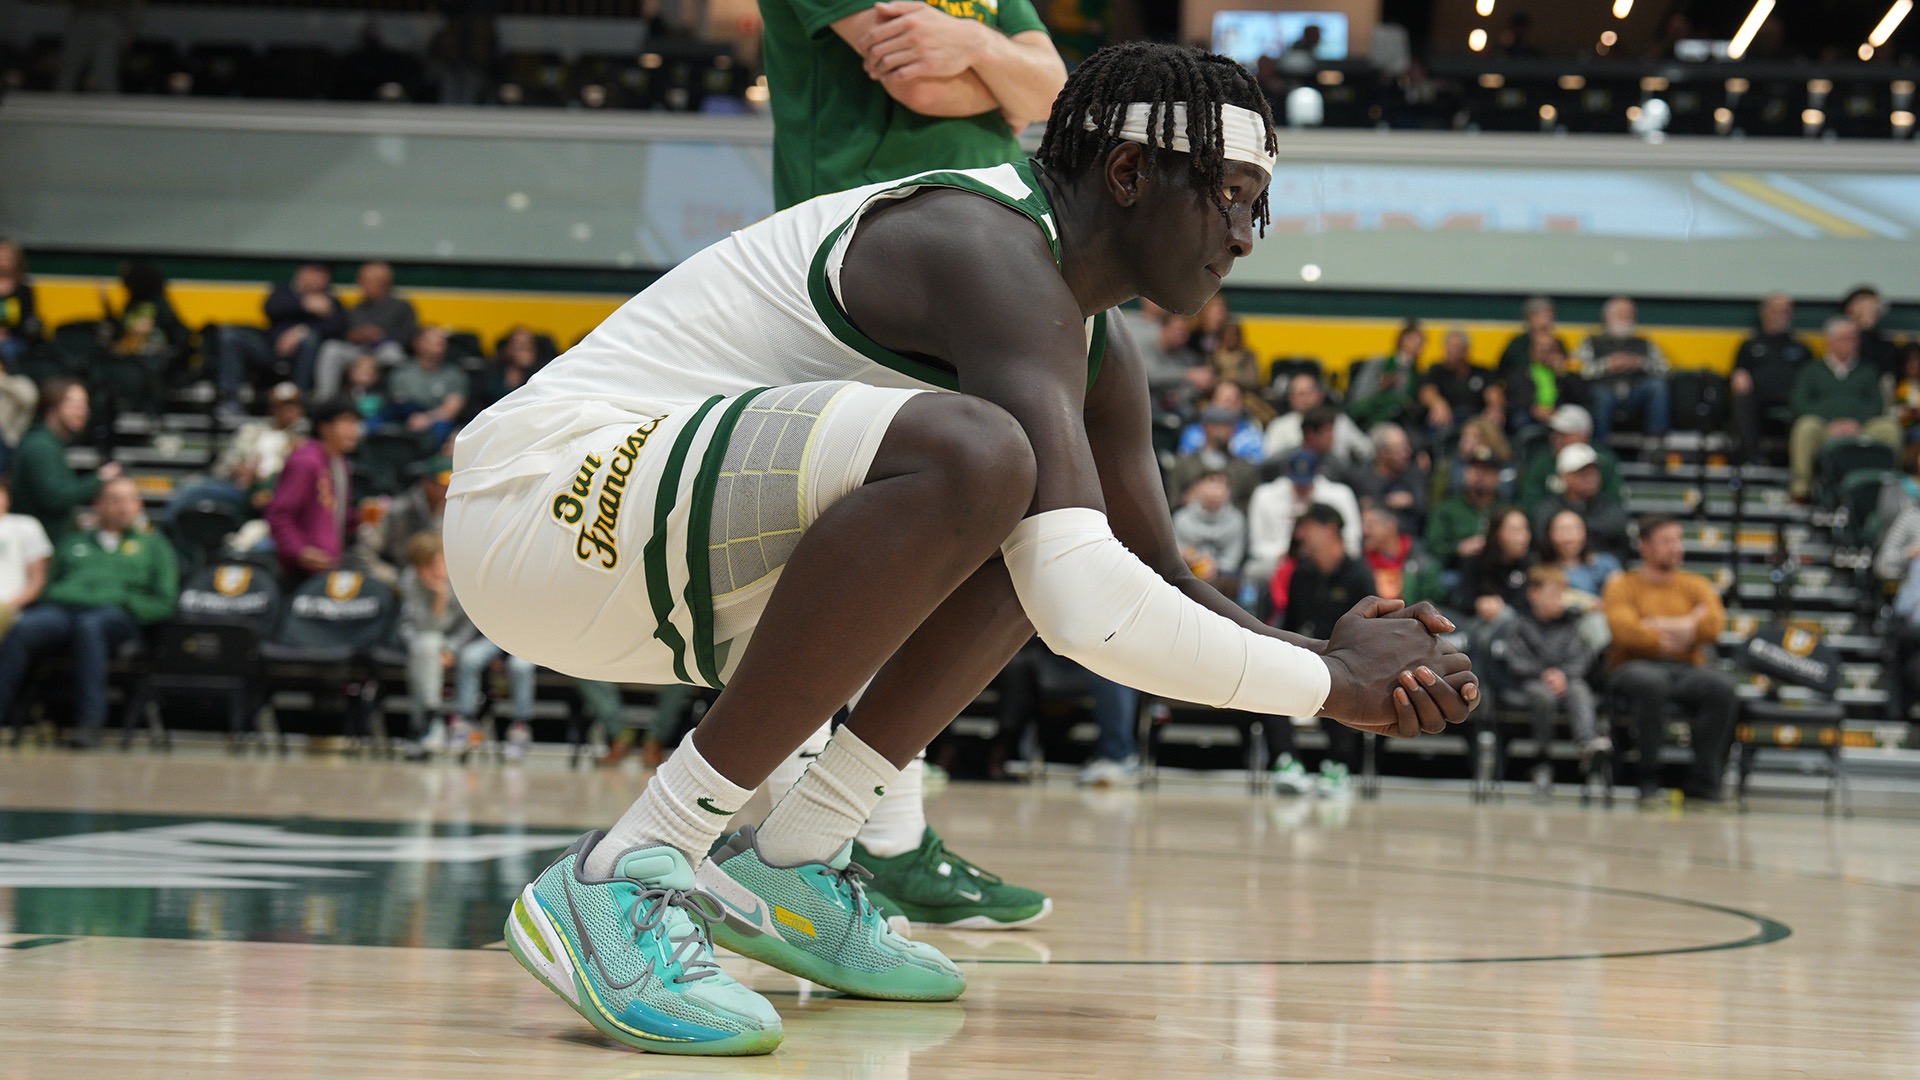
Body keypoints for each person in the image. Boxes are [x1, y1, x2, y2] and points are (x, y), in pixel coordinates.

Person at [445, 43, 1475, 1056]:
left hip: (661, 561)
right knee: (985, 459)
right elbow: (1088, 610)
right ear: (1128, 173)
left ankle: (792, 860)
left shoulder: (1093, 343)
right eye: (1232, 197)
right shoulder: (980, 240)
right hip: (547, 505)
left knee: (1042, 518)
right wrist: (1330, 690)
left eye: (1259, 207)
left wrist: (1331, 657)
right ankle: (626, 867)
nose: (1246, 236)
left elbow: (1149, 577)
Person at [754, 0, 1069, 925]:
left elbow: (1052, 92)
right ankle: (798, 847)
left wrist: (971, 45)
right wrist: (1001, 69)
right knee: (833, 558)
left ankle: (885, 841)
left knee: (927, 561)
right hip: (856, 266)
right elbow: (923, 85)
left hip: (976, 266)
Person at [759, 0, 1066, 211]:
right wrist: (1012, 86)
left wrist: (977, 41)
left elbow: (1053, 92)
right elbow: (919, 86)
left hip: (997, 201)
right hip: (867, 213)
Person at [0, 477, 177, 748]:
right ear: (99, 505)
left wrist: (130, 605)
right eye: (115, 500)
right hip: (64, 611)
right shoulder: (74, 542)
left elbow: (165, 601)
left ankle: (90, 723)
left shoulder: (154, 546)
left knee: (90, 627)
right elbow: (50, 587)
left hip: (117, 617)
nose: (123, 506)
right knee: (25, 628)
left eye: (129, 500)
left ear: (139, 505)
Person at [1603, 515, 1735, 803]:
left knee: (1722, 687)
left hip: (1685, 669)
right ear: (1644, 546)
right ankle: (1648, 777)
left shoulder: (1696, 584)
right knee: (1651, 683)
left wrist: (1653, 624)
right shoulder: (1622, 585)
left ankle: (1705, 781)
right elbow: (1625, 632)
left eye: (1678, 540)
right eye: (1666, 541)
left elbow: (1713, 626)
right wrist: (1688, 625)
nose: (1675, 547)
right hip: (1633, 666)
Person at [1267, 503, 1375, 798]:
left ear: (1330, 530)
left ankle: (1339, 765)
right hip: (1303, 657)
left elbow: (1370, 634)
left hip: (1345, 663)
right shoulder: (1301, 573)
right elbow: (1289, 625)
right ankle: (1286, 761)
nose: (1300, 534)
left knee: (1344, 684)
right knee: (1268, 678)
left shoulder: (1359, 575)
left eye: (1307, 527)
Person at [1505, 565, 1604, 799]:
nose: (1559, 601)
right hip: (1531, 682)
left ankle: (1588, 748)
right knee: (1543, 696)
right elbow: (1515, 660)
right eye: (1552, 595)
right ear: (1534, 594)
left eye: (1562, 595)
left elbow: (1581, 658)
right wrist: (1544, 673)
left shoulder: (1572, 624)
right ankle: (1542, 761)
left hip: (1567, 680)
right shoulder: (1519, 625)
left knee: (1580, 690)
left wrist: (1563, 675)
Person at [1787, 316, 1901, 502]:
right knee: (1805, 426)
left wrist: (1854, 423)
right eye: (1846, 338)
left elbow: (1876, 404)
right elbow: (1800, 404)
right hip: (1825, 428)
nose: (1853, 343)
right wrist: (1833, 422)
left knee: (1889, 428)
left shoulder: (1868, 370)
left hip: (1861, 428)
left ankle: (1886, 489)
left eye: (1855, 338)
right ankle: (1801, 491)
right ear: (1830, 341)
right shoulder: (1811, 370)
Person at [168, 382, 307, 521]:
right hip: (239, 488)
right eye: (280, 407)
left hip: (270, 494)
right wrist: (239, 469)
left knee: (196, 490)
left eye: (292, 407)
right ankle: (168, 527)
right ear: (272, 409)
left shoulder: (303, 442)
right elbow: (223, 467)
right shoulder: (252, 432)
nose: (286, 411)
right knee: (192, 486)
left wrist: (265, 481)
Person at [217, 263, 345, 409]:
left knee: (309, 340)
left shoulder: (331, 302)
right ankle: (230, 402)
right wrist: (303, 304)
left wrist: (302, 331)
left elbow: (338, 327)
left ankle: (297, 403)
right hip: (269, 349)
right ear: (302, 273)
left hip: (303, 356)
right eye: (314, 272)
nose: (319, 278)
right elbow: (270, 308)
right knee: (230, 335)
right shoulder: (284, 291)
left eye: (323, 274)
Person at [264, 399, 363, 581]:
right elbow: (278, 513)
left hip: (328, 566)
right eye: (347, 422)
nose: (354, 431)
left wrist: (360, 517)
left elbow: (334, 514)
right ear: (324, 427)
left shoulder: (341, 464)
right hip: (301, 572)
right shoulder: (305, 462)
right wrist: (299, 551)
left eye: (356, 423)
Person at [12, 379, 122, 538]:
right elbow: (55, 498)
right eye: (74, 404)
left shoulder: (51, 444)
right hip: (39, 545)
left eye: (85, 404)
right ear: (52, 408)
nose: (82, 411)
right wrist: (100, 478)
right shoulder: (40, 446)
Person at [1245, 449, 1363, 584]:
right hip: (1279, 561)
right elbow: (1256, 546)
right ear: (1287, 473)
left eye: (1306, 482)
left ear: (1318, 473)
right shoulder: (1265, 495)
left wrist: (1322, 554)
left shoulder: (1339, 494)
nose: (1302, 487)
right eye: (1297, 482)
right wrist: (1284, 554)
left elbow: (1353, 542)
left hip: (1327, 561)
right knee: (1253, 570)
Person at [314, 261, 420, 399]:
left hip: (384, 351)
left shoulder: (402, 307)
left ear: (383, 283)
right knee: (331, 349)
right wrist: (356, 336)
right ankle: (326, 398)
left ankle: (396, 398)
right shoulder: (356, 308)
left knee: (394, 353)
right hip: (358, 351)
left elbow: (409, 336)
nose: (360, 285)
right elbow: (343, 334)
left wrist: (382, 336)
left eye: (366, 281)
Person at [1730, 292, 1813, 464]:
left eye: (1787, 311)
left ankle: (1796, 461)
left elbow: (1812, 377)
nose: (1782, 315)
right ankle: (1751, 459)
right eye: (1777, 310)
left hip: (1792, 396)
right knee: (1742, 400)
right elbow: (1737, 372)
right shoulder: (1750, 345)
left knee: (1805, 403)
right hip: (1758, 396)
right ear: (1764, 313)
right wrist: (1739, 374)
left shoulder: (1801, 347)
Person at [1576, 296, 1671, 443]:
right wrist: (1607, 364)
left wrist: (1640, 363)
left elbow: (1666, 370)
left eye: (1630, 315)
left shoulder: (1645, 343)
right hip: (1605, 391)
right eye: (1621, 315)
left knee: (1657, 386)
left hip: (1636, 393)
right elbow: (1580, 371)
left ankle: (1655, 442)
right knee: (1601, 396)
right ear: (1607, 317)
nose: (1626, 319)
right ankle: (1600, 445)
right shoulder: (1591, 342)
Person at [104, 259, 191, 401]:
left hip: (153, 361)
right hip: (131, 357)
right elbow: (121, 330)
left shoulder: (159, 304)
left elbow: (178, 333)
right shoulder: (132, 303)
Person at [357, 456, 450, 586]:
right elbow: (364, 551)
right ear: (427, 483)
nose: (448, 489)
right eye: (443, 484)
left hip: (440, 581)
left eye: (451, 484)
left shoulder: (452, 511)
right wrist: (394, 578)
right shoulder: (399, 510)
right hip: (397, 580)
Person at [1531, 443, 1630, 561]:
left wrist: (1569, 529)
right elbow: (1542, 538)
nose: (1590, 478)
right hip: (1558, 566)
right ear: (1564, 476)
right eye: (1583, 473)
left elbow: (1618, 527)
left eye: (1594, 472)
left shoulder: (1609, 504)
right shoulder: (1548, 507)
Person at [1518, 404, 1621, 512]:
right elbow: (1529, 500)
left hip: (1597, 517)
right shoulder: (1542, 461)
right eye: (1554, 433)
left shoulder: (1602, 460)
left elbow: (1615, 500)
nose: (1556, 438)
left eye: (1564, 434)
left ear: (1584, 435)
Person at [1425, 446, 1502, 580]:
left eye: (1486, 470)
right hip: (1456, 570)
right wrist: (1458, 549)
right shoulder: (1446, 509)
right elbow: (1432, 546)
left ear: (1497, 477)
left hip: (1499, 571)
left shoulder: (1504, 510)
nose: (1479, 475)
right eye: (1474, 469)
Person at [1165, 403, 1260, 509]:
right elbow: (1171, 502)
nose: (1223, 431)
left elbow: (1252, 506)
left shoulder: (1244, 468)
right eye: (1218, 425)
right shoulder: (1184, 465)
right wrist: (1187, 499)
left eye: (1228, 426)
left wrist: (1225, 505)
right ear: (1205, 427)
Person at [1262, 375, 1371, 466]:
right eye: (1300, 394)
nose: (1305, 399)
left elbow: (1367, 450)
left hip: (1336, 475)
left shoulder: (1339, 420)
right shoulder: (1279, 425)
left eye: (1309, 393)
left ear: (1319, 395)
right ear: (1291, 398)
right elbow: (1270, 460)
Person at [1343, 421, 1427, 537]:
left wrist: (1411, 502)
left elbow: (1425, 505)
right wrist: (1383, 503)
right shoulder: (1360, 479)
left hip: (1412, 536)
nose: (1406, 453)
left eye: (1406, 447)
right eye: (1399, 450)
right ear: (1382, 453)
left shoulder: (1415, 474)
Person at [386, 327, 469, 443]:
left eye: (442, 343)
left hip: (437, 423)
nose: (440, 347)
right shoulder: (402, 372)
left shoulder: (454, 375)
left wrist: (427, 419)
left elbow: (450, 410)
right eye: (434, 343)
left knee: (443, 429)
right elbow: (399, 401)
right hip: (405, 418)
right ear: (418, 343)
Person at [1171, 470, 1245, 598]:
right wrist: (1189, 558)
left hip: (1222, 576)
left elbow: (1232, 559)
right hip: (1188, 571)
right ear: (1198, 488)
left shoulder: (1236, 521)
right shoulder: (1182, 518)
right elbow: (1175, 551)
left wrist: (1215, 565)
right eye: (1211, 483)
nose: (1216, 491)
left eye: (1221, 485)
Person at [1461, 507, 1533, 626]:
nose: (1523, 537)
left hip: (1516, 625)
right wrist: (1479, 604)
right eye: (1515, 530)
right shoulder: (1475, 562)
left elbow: (1528, 605)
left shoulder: (1531, 564)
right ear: (1497, 533)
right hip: (1478, 622)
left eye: (1525, 529)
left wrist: (1502, 607)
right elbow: (1464, 600)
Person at [0, 477, 53, 640]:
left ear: (8, 497)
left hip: (11, 607)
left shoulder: (26, 526)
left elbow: (38, 580)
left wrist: (9, 606)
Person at [1418, 328, 1497, 436]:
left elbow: (1493, 393)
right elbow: (1427, 392)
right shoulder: (1436, 371)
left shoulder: (1481, 372)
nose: (1451, 351)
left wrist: (1495, 407)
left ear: (1466, 350)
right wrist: (1437, 403)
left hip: (1476, 417)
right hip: (1449, 417)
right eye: (1448, 347)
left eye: (1456, 347)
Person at [1540, 508, 1622, 609]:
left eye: (1575, 529)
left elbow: (1620, 599)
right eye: (1562, 530)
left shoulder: (1606, 564)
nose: (1569, 537)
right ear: (1549, 534)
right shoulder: (1542, 572)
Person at [1345, 322, 1422, 429]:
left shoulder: (1416, 372)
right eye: (1413, 340)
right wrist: (1381, 385)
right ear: (1402, 340)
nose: (1417, 346)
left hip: (1401, 421)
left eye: (1420, 343)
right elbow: (1359, 396)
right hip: (1371, 418)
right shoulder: (1380, 363)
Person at [1360, 505, 1439, 607]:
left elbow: (1433, 598)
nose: (1364, 531)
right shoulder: (1360, 563)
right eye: (1362, 525)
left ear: (1390, 526)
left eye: (1370, 525)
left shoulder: (1420, 561)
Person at [1173, 383, 1263, 464]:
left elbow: (1255, 466)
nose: (1229, 406)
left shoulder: (1251, 434)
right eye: (1226, 401)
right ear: (1213, 402)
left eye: (1235, 401)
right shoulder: (1193, 433)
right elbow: (1184, 463)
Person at [468, 326, 542, 417]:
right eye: (518, 344)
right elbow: (476, 401)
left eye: (527, 345)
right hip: (490, 418)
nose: (523, 349)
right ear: (507, 347)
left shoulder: (540, 374)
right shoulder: (490, 371)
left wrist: (530, 368)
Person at [1843, 285, 1897, 377]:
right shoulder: (1838, 339)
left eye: (1874, 308)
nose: (1872, 312)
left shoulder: (1885, 345)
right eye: (1866, 307)